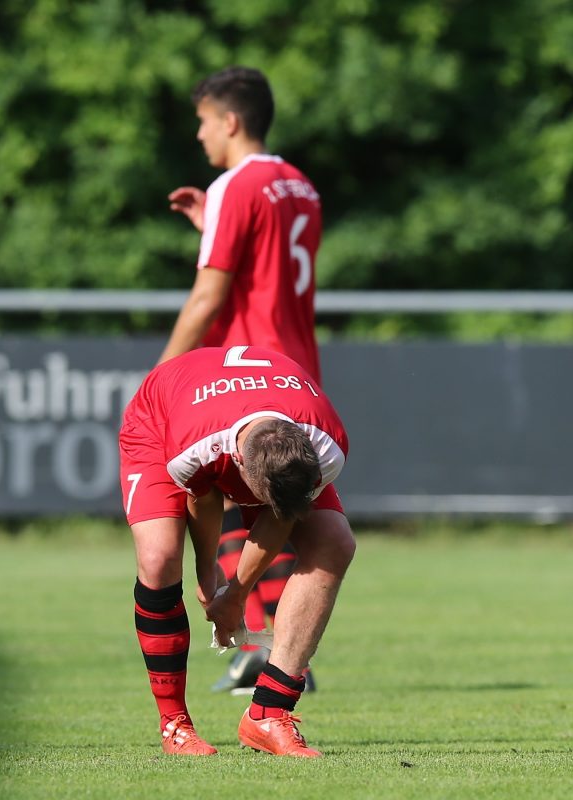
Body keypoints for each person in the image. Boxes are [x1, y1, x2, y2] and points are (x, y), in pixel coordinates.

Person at [159, 66, 325, 694]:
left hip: (247, 373)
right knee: (287, 513)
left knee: (226, 502)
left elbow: (208, 296)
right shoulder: (299, 185)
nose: (200, 135)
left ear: (230, 121)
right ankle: (276, 651)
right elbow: (270, 266)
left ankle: (266, 649)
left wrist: (163, 376)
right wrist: (216, 224)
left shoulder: (235, 184)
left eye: (204, 122)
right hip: (298, 371)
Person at [120, 345, 355, 757]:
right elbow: (205, 499)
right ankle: (174, 723)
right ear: (238, 466)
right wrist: (208, 575)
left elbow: (281, 516)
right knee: (158, 560)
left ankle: (269, 712)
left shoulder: (326, 444)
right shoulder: (195, 449)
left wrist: (236, 596)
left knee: (334, 543)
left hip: (254, 412)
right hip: (162, 418)